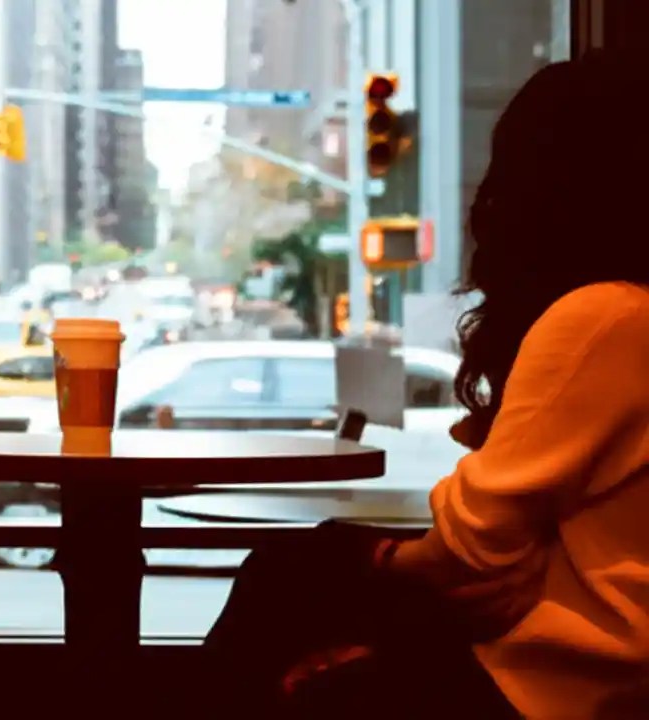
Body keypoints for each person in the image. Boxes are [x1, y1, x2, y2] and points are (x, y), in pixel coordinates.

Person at [201, 49, 649, 719]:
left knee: (289, 576)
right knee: (306, 567)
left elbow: (471, 547)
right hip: (588, 672)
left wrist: (386, 563)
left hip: (550, 688)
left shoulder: (608, 315)